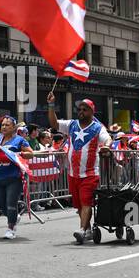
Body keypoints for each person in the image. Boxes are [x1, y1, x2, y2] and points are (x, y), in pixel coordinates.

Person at [46, 92, 111, 244]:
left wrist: (106, 147)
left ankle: (82, 230)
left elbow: (107, 138)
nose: (81, 112)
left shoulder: (97, 128)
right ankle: (87, 230)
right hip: (73, 174)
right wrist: (51, 105)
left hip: (90, 174)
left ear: (92, 111)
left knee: (86, 202)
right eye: (80, 109)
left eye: (85, 109)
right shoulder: (72, 124)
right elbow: (54, 124)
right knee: (78, 205)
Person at [0, 115, 32, 240]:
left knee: (11, 204)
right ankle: (14, 216)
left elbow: (30, 153)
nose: (4, 127)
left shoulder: (20, 140)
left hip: (14, 177)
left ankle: (11, 228)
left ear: (13, 127)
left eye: (7, 125)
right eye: (3, 124)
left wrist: (19, 153)